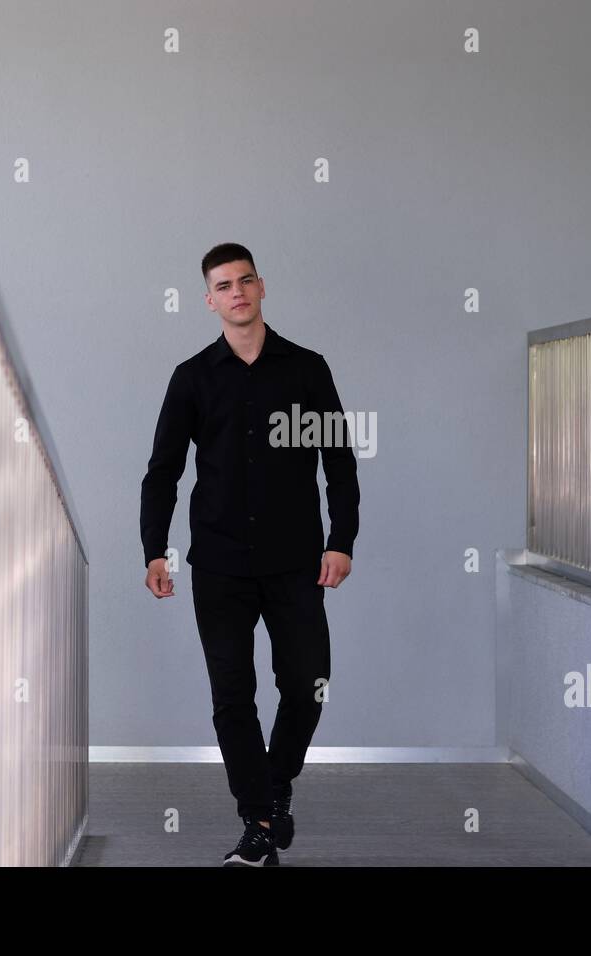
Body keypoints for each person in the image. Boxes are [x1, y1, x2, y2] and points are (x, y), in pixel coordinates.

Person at [140, 242, 360, 866]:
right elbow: (163, 472)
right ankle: (259, 820)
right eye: (223, 285)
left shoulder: (307, 369)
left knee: (307, 684)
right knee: (233, 696)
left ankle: (275, 783)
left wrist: (341, 540)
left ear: (262, 287)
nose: (236, 292)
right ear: (208, 300)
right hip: (218, 565)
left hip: (295, 563)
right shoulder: (192, 378)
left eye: (245, 281)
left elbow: (338, 463)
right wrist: (153, 550)